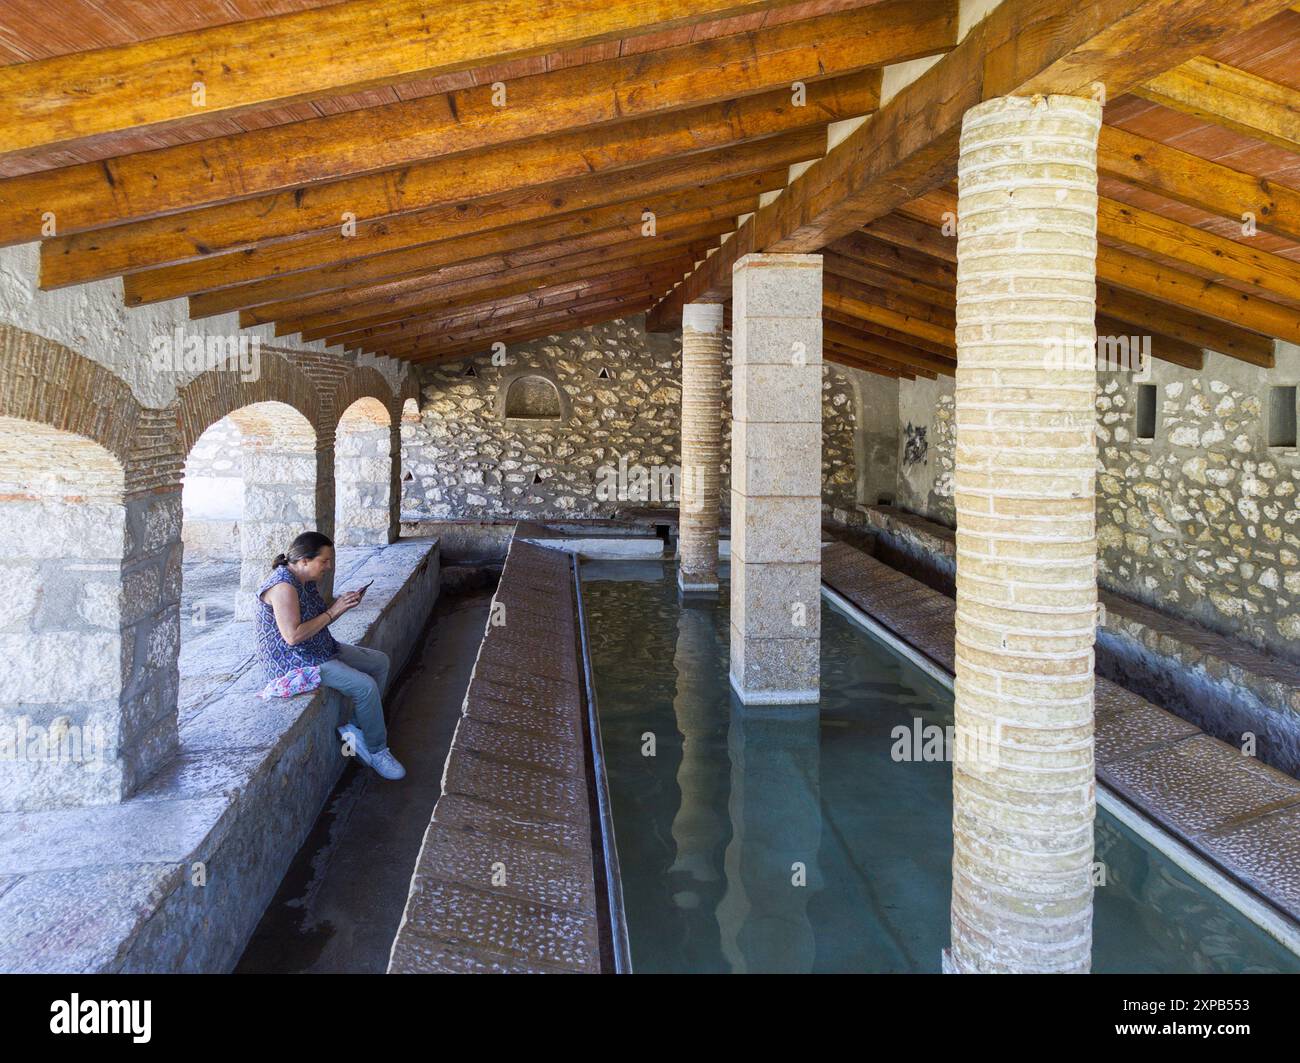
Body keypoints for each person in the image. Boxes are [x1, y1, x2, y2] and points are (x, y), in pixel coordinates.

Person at [256, 531, 406, 780]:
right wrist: (334, 612)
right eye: (324, 561)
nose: (329, 566)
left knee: (380, 662)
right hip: (294, 661)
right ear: (304, 560)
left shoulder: (304, 581)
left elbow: (317, 620)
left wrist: (343, 605)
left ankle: (356, 729)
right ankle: (377, 751)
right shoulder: (283, 586)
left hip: (317, 647)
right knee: (365, 686)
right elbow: (292, 637)